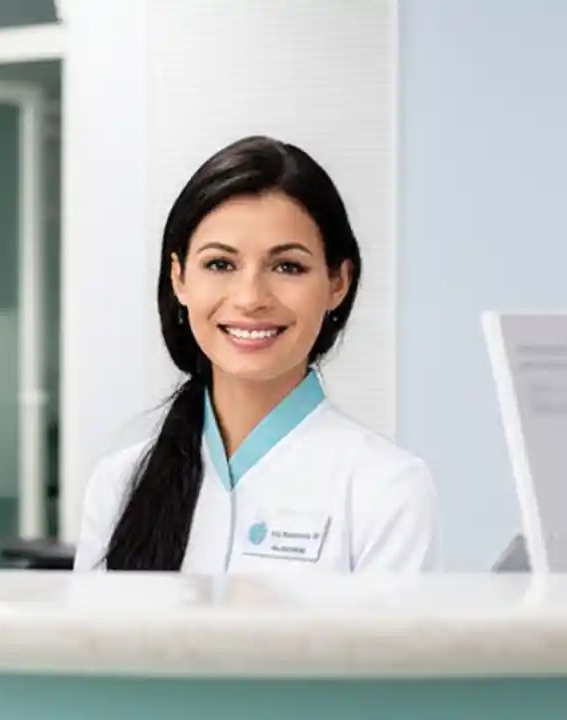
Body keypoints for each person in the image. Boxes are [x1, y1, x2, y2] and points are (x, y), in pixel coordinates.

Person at [73, 136, 439, 573]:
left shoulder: (387, 489)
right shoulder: (119, 484)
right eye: (220, 264)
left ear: (337, 283)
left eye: (287, 266)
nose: (250, 298)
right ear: (179, 278)